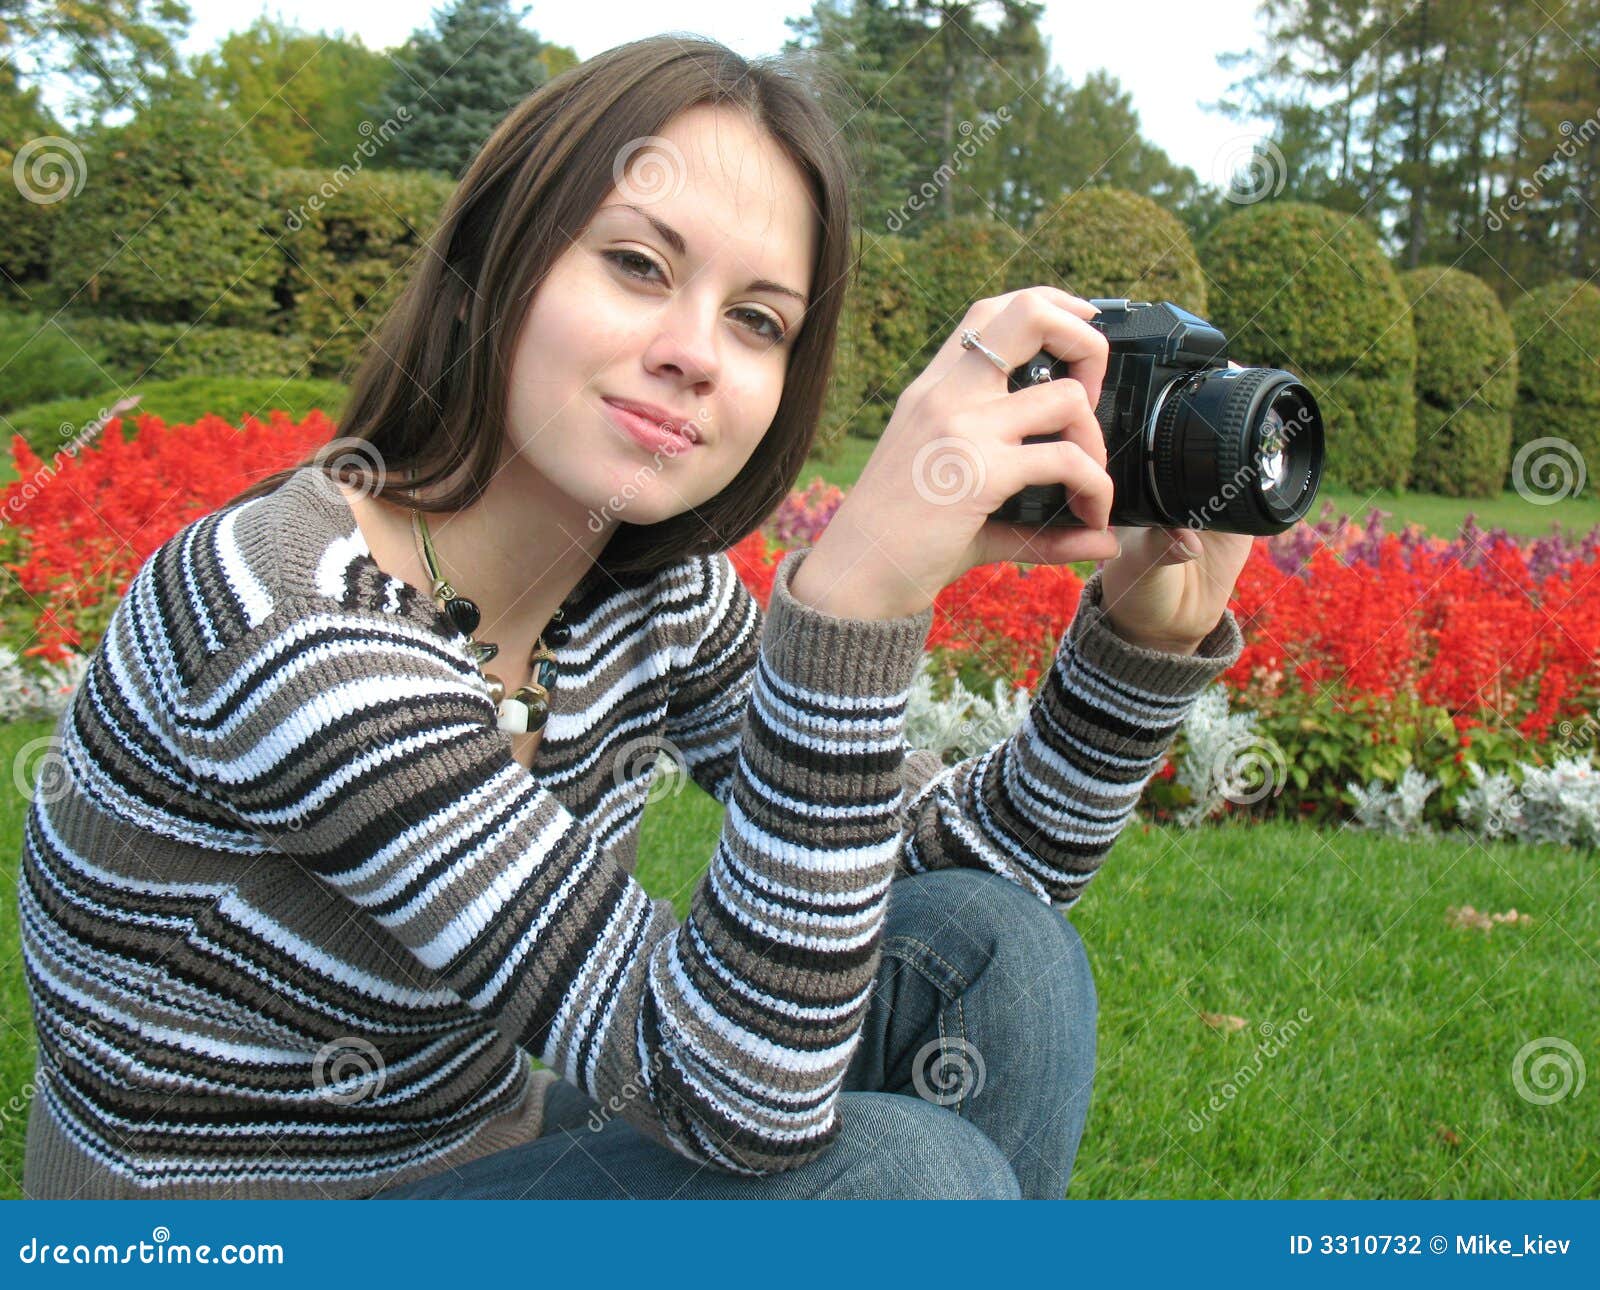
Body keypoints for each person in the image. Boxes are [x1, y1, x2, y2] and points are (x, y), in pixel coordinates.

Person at [18, 34, 1247, 1202]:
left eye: (757, 320)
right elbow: (734, 1095)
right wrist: (855, 602)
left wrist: (1136, 651)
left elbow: (960, 866)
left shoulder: (644, 600)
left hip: (470, 1155)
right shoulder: (290, 617)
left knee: (995, 954)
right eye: (638, 265)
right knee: (906, 1183)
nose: (693, 352)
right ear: (493, 266)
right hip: (217, 1219)